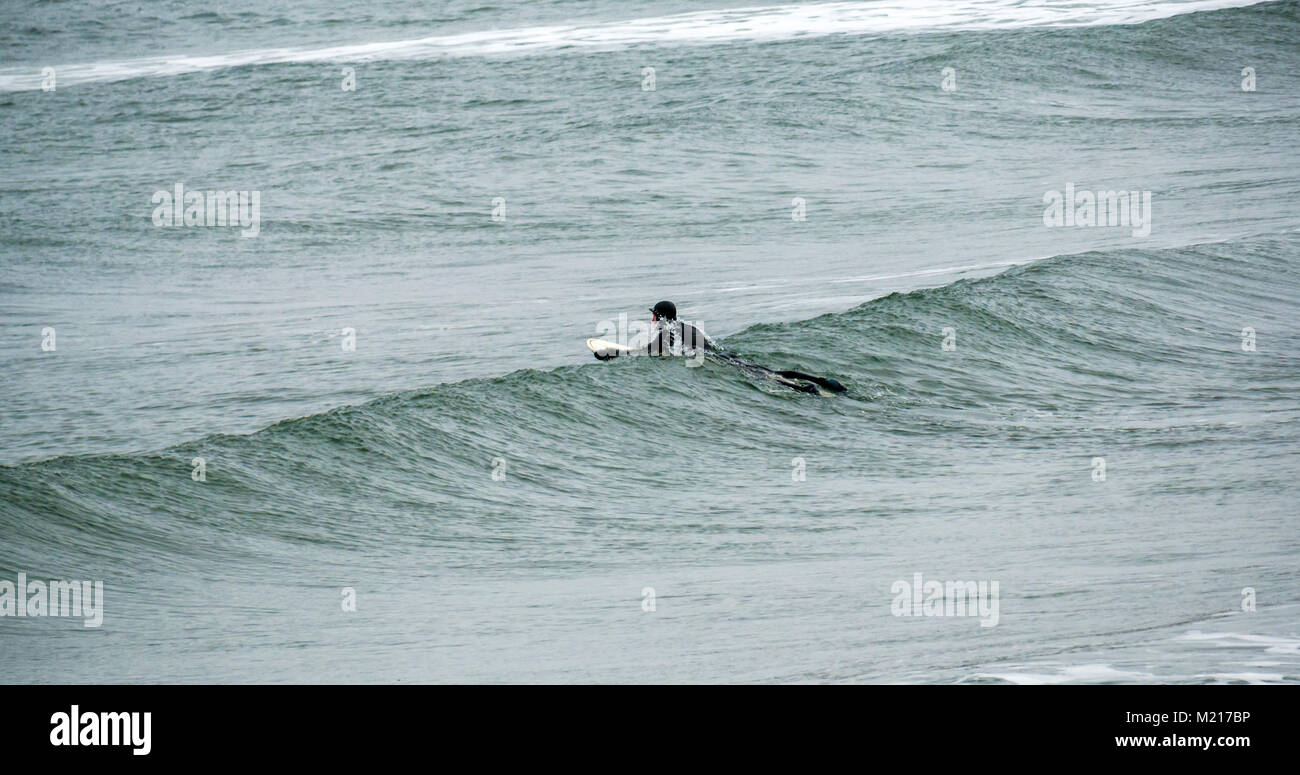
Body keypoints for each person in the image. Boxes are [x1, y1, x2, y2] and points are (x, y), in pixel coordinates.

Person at [593, 300, 847, 395]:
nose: (651, 319)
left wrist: (613, 354)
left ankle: (804, 389)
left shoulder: (666, 329)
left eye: (653, 316)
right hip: (724, 354)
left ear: (657, 316)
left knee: (763, 377)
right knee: (766, 370)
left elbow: (655, 351)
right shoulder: (688, 326)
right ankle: (820, 380)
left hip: (717, 361)